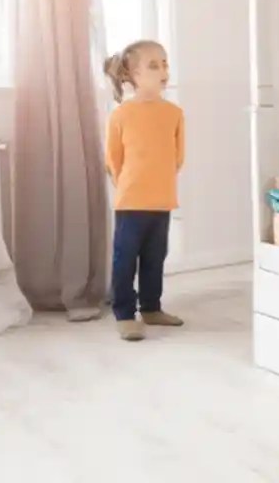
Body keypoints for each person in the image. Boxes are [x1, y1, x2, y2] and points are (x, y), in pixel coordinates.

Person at [103, 40, 186, 342]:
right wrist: (130, 184)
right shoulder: (122, 115)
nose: (163, 70)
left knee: (155, 256)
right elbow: (113, 160)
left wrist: (158, 182)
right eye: (154, 65)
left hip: (161, 200)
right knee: (125, 258)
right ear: (132, 74)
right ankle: (125, 313)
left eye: (165, 63)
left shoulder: (174, 113)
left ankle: (151, 307)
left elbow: (178, 156)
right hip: (131, 201)